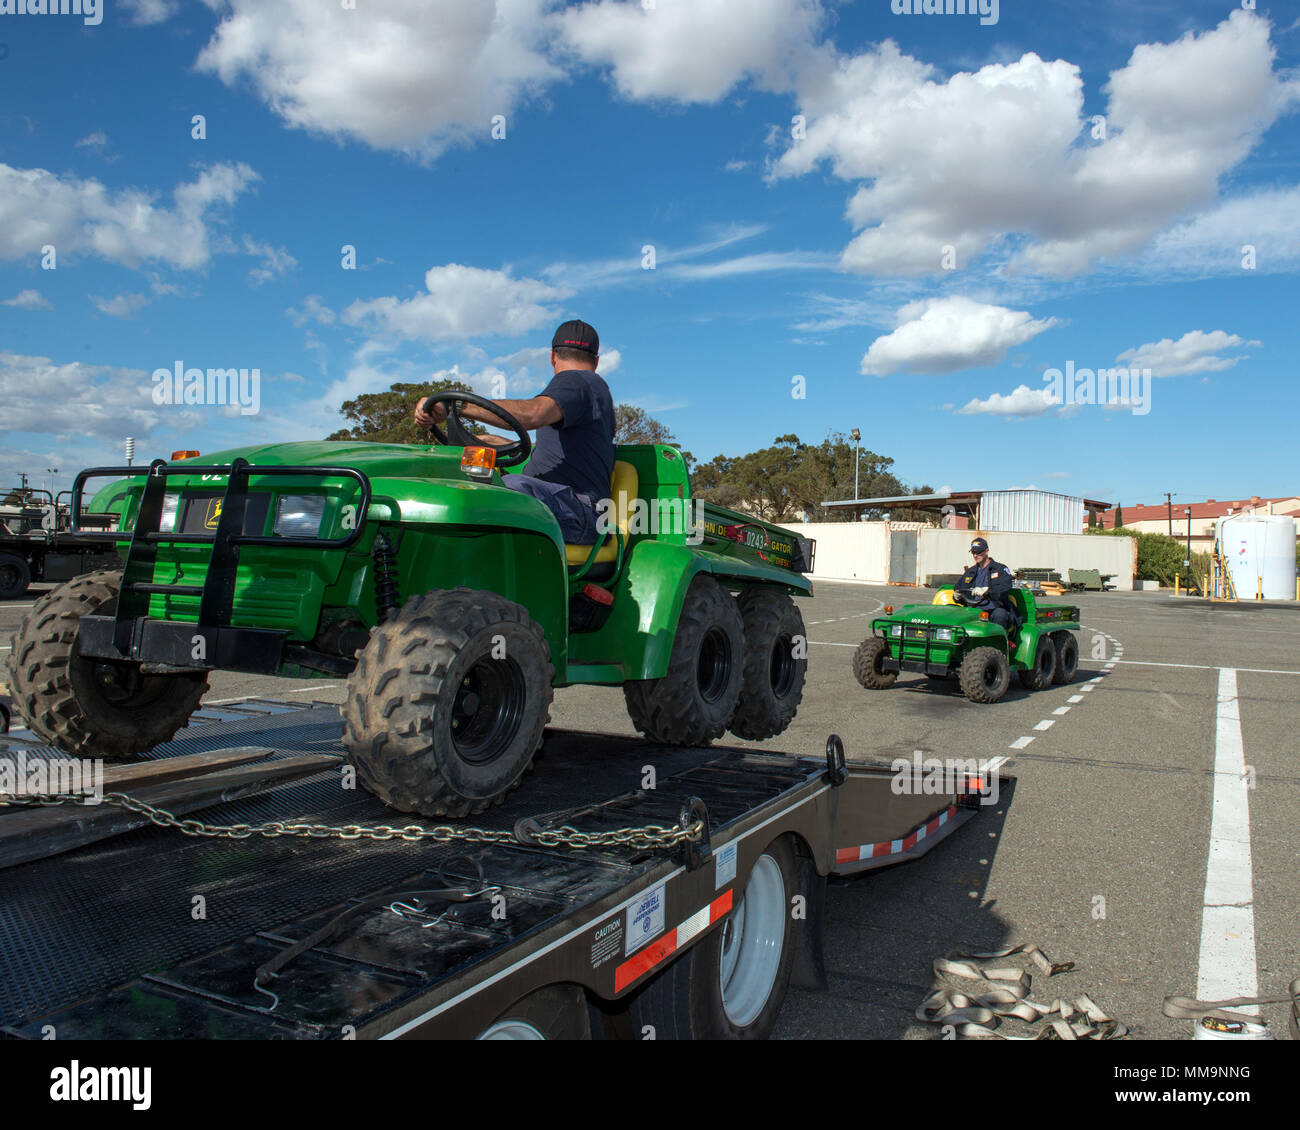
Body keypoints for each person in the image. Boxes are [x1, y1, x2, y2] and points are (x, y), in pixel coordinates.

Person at [414, 319, 614, 545]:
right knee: (476, 480)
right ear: (596, 361)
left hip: (580, 513)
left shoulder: (577, 381)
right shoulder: (589, 392)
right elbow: (549, 453)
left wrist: (457, 406)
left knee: (506, 489)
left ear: (552, 357)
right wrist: (487, 441)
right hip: (570, 509)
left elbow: (532, 414)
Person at [955, 537, 1017, 629]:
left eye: (979, 552)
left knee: (1000, 615)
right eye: (973, 552)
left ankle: (997, 642)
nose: (975, 555)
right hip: (972, 609)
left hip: (992, 609)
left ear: (986, 551)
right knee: (950, 611)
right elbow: (959, 588)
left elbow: (1004, 589)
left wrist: (987, 590)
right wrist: (956, 596)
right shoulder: (970, 572)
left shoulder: (1000, 569)